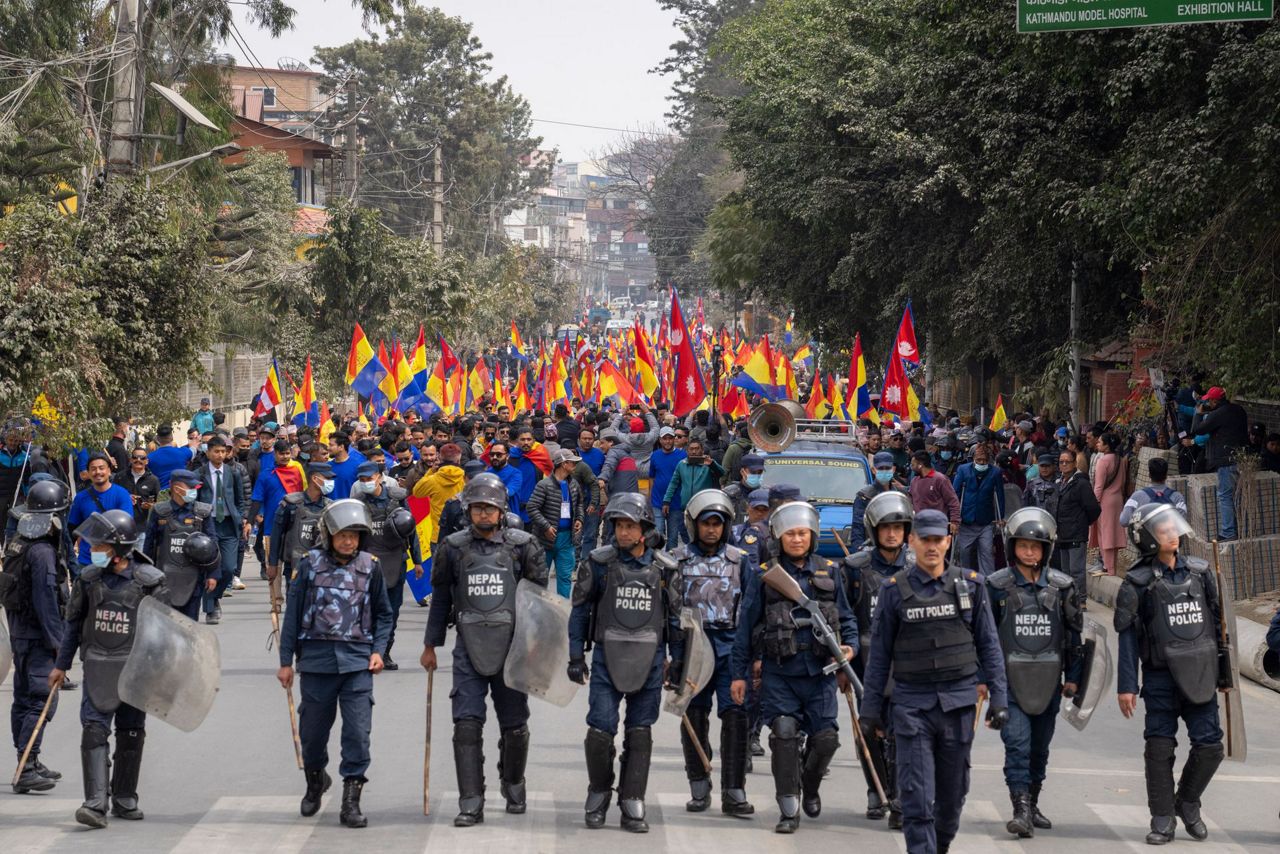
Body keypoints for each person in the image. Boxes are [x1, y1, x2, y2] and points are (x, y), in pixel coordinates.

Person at [859, 509, 1009, 854]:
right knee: (915, 797)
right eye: (924, 539)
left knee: (952, 801)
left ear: (948, 541)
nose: (931, 546)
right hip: (911, 705)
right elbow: (880, 654)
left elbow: (989, 645)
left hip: (957, 705)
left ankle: (938, 846)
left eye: (937, 539)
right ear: (913, 541)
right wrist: (870, 711)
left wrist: (999, 699)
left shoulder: (971, 585)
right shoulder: (894, 591)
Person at [420, 473, 547, 826]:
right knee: (466, 723)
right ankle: (471, 799)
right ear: (468, 511)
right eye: (477, 508)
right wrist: (430, 645)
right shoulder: (453, 548)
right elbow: (442, 597)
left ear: (501, 510)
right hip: (468, 647)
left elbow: (538, 600)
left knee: (515, 724)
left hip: (512, 648)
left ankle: (513, 781)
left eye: (489, 508)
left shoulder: (523, 546)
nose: (483, 514)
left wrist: (536, 646)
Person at [730, 500, 856, 834]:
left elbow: (846, 618)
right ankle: (789, 808)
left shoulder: (830, 571)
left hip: (819, 674)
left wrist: (850, 648)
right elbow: (746, 626)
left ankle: (809, 784)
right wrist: (740, 675)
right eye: (790, 534)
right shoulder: (766, 576)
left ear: (811, 535)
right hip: (780, 673)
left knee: (826, 739)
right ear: (778, 537)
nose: (797, 539)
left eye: (802, 533)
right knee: (784, 734)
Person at [567, 492, 684, 833]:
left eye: (630, 526)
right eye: (618, 525)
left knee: (639, 731)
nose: (623, 532)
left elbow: (676, 620)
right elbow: (580, 612)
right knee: (600, 731)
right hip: (606, 657)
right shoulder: (599, 563)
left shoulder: (664, 569)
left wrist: (678, 662)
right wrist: (576, 655)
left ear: (645, 529)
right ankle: (599, 792)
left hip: (650, 661)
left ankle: (633, 797)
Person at [1114, 503, 1228, 845]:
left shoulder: (1201, 572)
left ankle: (1187, 801)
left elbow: (1219, 626)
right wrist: (1127, 686)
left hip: (1201, 673)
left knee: (1210, 746)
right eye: (1163, 530)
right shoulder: (1137, 582)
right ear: (1147, 538)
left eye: (1173, 527)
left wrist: (1224, 675)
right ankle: (1162, 818)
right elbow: (1128, 637)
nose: (1172, 534)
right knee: (1159, 747)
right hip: (1161, 676)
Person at [278, 499, 393, 829]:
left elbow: (384, 614)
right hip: (316, 664)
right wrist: (286, 662)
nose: (348, 541)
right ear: (329, 534)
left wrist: (378, 651)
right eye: (342, 535)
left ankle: (351, 800)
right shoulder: (309, 565)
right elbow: (293, 616)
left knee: (357, 733)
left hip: (357, 663)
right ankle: (315, 781)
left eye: (355, 535)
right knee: (312, 736)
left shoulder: (370, 566)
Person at [51, 509, 169, 829]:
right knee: (94, 729)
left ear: (118, 550)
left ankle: (125, 797)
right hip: (98, 668)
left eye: (101, 546)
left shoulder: (150, 582)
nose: (94, 551)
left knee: (131, 731)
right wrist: (61, 666)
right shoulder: (88, 579)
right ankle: (95, 803)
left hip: (135, 672)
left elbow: (164, 634)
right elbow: (73, 625)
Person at [986, 507, 1083, 839]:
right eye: (1023, 545)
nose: (1029, 551)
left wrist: (1074, 678)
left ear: (1047, 549)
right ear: (1012, 546)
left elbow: (1074, 638)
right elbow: (983, 637)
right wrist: (982, 681)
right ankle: (1020, 809)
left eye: (1035, 546)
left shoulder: (1064, 587)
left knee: (1040, 748)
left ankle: (1034, 800)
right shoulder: (995, 586)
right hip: (1008, 684)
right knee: (1018, 744)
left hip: (1048, 682)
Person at [669, 489, 754, 816]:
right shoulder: (676, 560)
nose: (711, 530)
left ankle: (734, 791)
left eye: (718, 523)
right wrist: (672, 658)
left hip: (731, 649)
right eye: (706, 523)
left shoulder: (740, 560)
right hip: (693, 648)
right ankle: (699, 785)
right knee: (694, 717)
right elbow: (669, 614)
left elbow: (750, 611)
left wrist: (750, 658)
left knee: (735, 716)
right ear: (694, 524)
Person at [842, 491, 914, 826]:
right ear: (873, 529)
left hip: (907, 665)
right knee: (870, 726)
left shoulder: (916, 568)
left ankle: (898, 797)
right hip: (866, 664)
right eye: (885, 527)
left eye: (897, 527)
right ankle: (876, 788)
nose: (891, 533)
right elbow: (844, 616)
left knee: (902, 729)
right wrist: (846, 658)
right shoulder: (856, 569)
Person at [5, 480, 70, 793]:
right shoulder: (42, 551)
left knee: (22, 698)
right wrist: (59, 645)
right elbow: (46, 600)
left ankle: (26, 759)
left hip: (19, 632)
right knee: (40, 700)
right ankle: (27, 767)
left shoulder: (17, 542)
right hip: (38, 636)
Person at [353, 461, 422, 670]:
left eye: (369, 478)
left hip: (394, 560)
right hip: (367, 562)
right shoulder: (357, 501)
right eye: (362, 480)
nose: (366, 483)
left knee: (392, 610)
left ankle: (385, 651)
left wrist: (417, 560)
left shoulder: (398, 499)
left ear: (380, 477)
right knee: (367, 610)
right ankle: (369, 651)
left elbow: (410, 529)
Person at [143, 469, 217, 620]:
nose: (194, 491)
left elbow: (212, 546)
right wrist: (145, 576)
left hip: (193, 579)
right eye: (191, 488)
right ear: (177, 489)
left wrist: (213, 575)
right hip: (164, 579)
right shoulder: (159, 511)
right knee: (166, 627)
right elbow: (149, 545)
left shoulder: (202, 512)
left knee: (190, 625)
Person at [196, 436, 250, 623]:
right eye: (216, 451)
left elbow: (240, 498)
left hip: (228, 524)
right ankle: (211, 608)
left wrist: (242, 518)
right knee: (210, 566)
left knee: (229, 568)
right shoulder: (199, 473)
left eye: (223, 451)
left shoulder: (232, 473)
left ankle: (215, 595)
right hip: (207, 524)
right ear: (208, 452)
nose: (220, 455)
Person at [1190, 387, 1249, 541]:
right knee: (1238, 495)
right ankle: (1243, 529)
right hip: (1241, 458)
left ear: (1215, 401)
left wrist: (1198, 413)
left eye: (1209, 400)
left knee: (1225, 496)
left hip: (1225, 460)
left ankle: (1228, 532)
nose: (1208, 402)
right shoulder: (1238, 410)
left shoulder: (1218, 414)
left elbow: (1198, 429)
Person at [268, 462, 334, 592]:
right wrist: (273, 563)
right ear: (315, 479)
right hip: (294, 566)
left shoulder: (330, 507)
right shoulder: (291, 504)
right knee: (295, 605)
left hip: (322, 567)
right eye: (327, 479)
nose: (330, 482)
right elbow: (276, 534)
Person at [527, 448, 585, 597]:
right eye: (572, 462)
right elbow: (532, 507)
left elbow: (579, 503)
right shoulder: (544, 485)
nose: (575, 465)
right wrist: (546, 526)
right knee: (540, 579)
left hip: (567, 539)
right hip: (545, 540)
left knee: (565, 577)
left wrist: (579, 518)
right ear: (564, 464)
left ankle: (562, 611)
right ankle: (540, 611)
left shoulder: (574, 484)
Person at [66, 453, 134, 577]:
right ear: (88, 473)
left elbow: (127, 528)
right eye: (93, 469)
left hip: (114, 561)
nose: (98, 472)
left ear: (109, 471)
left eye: (101, 468)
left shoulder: (122, 494)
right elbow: (71, 530)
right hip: (87, 561)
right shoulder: (81, 498)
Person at [1052, 450, 1100, 600]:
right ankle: (1067, 600)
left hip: (1076, 534)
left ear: (1074, 463)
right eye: (1061, 462)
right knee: (1065, 570)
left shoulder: (1081, 484)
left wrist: (1081, 523)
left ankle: (1079, 600)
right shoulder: (1059, 483)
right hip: (1062, 534)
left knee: (1076, 570)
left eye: (1067, 461)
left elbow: (1094, 509)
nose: (1064, 464)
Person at [951, 445, 1005, 577]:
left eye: (985, 461)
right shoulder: (963, 470)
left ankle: (988, 582)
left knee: (987, 552)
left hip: (985, 520)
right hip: (966, 519)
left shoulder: (995, 472)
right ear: (973, 459)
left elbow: (1000, 496)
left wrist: (1000, 517)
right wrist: (954, 517)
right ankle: (967, 579)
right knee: (965, 552)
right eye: (979, 460)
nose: (982, 463)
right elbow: (955, 494)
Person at [850, 451, 909, 552]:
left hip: (897, 549)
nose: (884, 471)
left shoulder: (901, 494)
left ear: (893, 469)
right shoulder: (864, 496)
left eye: (887, 468)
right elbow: (858, 528)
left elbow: (907, 526)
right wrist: (859, 552)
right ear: (873, 470)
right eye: (881, 469)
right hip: (872, 550)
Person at [411, 442, 466, 543]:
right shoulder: (465, 478)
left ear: (440, 458)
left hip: (438, 534)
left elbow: (416, 492)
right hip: (460, 533)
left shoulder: (433, 480)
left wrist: (431, 471)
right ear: (458, 459)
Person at [662, 439, 724, 524]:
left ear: (702, 450)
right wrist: (666, 501)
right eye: (691, 449)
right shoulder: (682, 464)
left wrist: (712, 464)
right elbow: (673, 484)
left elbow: (721, 473)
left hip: (703, 508)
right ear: (687, 451)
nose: (694, 451)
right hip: (686, 508)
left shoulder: (708, 464)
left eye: (697, 448)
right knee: (685, 534)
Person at [1091, 432, 1127, 576]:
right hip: (1117, 499)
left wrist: (1094, 503)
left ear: (1107, 446)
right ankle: (1112, 568)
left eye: (1100, 442)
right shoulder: (1120, 459)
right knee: (1113, 534)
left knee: (1104, 534)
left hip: (1105, 500)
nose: (1097, 443)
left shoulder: (1103, 461)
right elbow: (1123, 482)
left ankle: (1108, 568)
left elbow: (1098, 486)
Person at [1120, 458, 1189, 527]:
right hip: (1169, 536)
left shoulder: (1137, 496)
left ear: (1149, 475)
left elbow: (1124, 520)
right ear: (1166, 475)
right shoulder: (1177, 497)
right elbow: (1182, 522)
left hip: (1146, 537)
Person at [648, 426, 687, 544]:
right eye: (665, 439)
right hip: (657, 501)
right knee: (658, 533)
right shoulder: (655, 455)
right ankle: (659, 560)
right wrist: (650, 497)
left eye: (670, 438)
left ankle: (671, 560)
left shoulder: (682, 455)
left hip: (676, 502)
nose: (667, 441)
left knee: (673, 536)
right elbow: (652, 477)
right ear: (660, 440)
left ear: (674, 439)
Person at [908, 450, 959, 534]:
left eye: (913, 465)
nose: (911, 468)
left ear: (920, 465)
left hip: (937, 528)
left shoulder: (940, 479)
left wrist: (955, 521)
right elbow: (910, 500)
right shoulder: (914, 480)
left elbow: (953, 502)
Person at [113, 447, 160, 536]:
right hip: (121, 527)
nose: (138, 460)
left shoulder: (153, 480)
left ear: (147, 461)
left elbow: (159, 504)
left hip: (142, 528)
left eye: (142, 458)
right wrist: (125, 498)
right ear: (130, 460)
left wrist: (151, 506)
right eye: (135, 457)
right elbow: (112, 497)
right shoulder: (120, 477)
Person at [146, 426, 198, 491]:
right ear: (172, 437)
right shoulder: (183, 452)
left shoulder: (150, 457)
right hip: (180, 491)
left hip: (162, 493)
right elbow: (193, 449)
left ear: (158, 438)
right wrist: (195, 439)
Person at [722, 453, 765, 525]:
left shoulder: (764, 495)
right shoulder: (729, 494)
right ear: (742, 472)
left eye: (760, 472)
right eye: (753, 472)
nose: (757, 475)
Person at [327, 432, 366, 500]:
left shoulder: (358, 466)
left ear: (341, 447)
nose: (328, 448)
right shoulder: (326, 467)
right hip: (330, 508)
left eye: (331, 445)